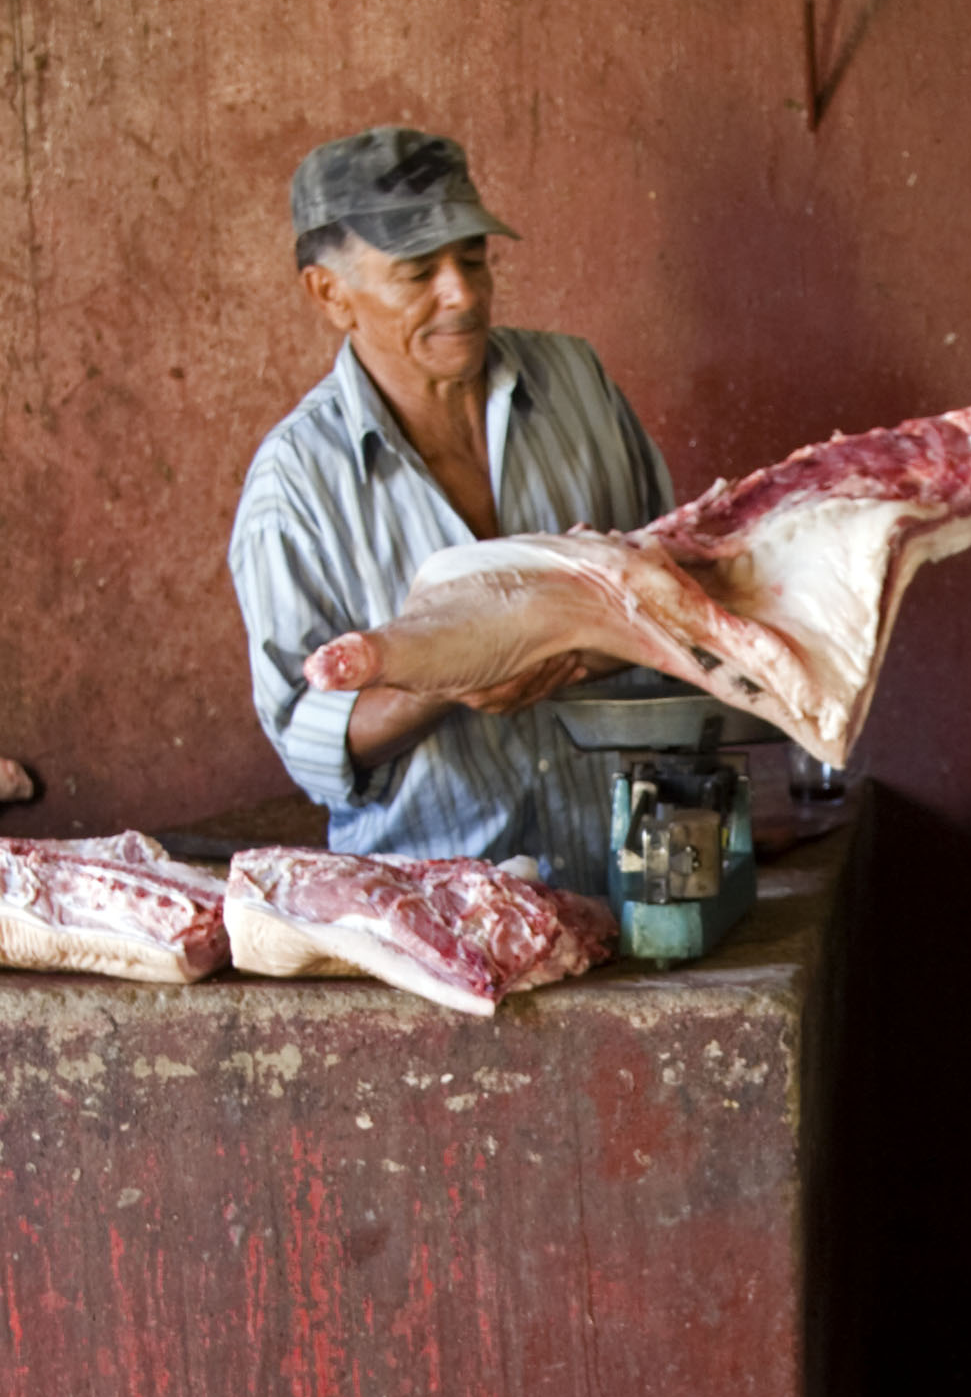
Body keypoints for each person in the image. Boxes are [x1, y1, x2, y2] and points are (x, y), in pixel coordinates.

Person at [234, 125, 679, 882]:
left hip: (646, 877)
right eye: (417, 271)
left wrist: (572, 631)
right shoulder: (297, 483)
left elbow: (676, 583)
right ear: (329, 293)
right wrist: (450, 676)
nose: (463, 293)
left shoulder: (577, 382)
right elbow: (309, 741)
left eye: (473, 255)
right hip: (445, 924)